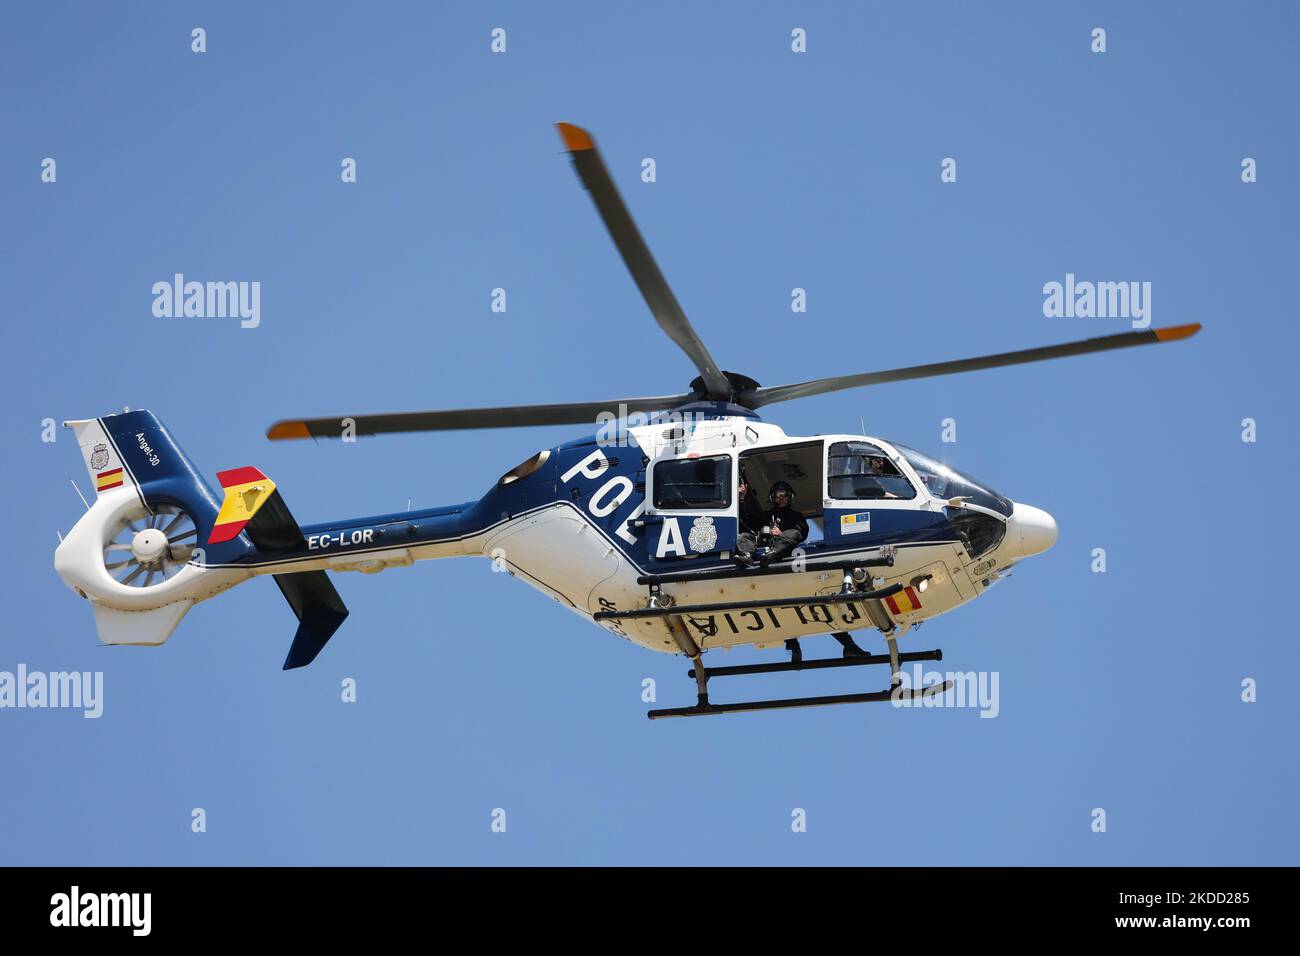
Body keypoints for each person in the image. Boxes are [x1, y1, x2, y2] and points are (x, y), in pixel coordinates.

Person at [734, 480, 808, 568]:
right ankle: (747, 557)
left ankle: (772, 555)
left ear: (790, 497)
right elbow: (749, 521)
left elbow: (802, 533)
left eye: (784, 495)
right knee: (745, 536)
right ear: (772, 498)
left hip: (784, 547)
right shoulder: (766, 515)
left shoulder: (796, 516)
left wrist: (781, 534)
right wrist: (742, 498)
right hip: (766, 543)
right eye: (777, 495)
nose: (781, 498)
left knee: (794, 533)